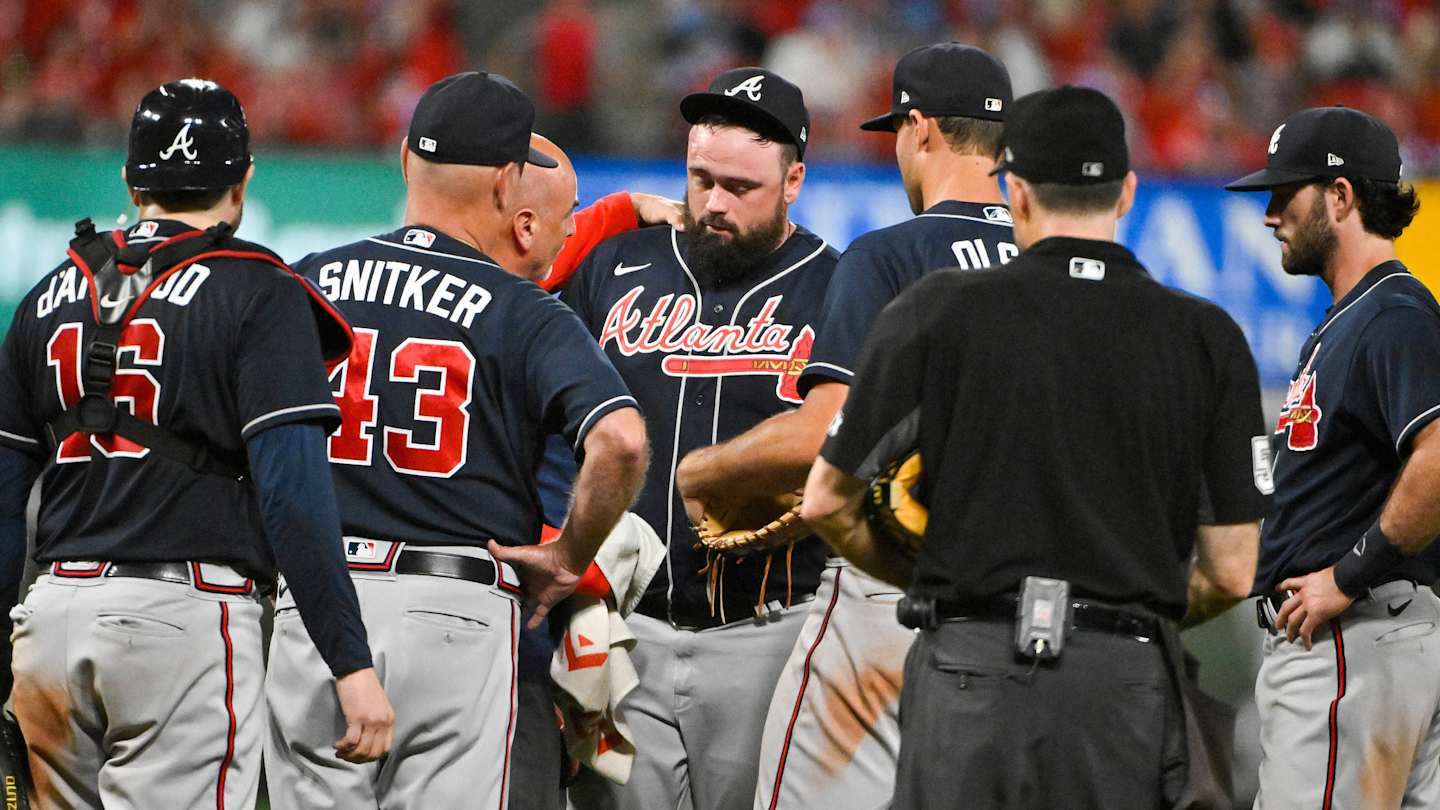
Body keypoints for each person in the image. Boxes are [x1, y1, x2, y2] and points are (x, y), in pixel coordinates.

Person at [803, 85, 1269, 809]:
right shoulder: (1208, 339)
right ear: (1127, 194)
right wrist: (1133, 611)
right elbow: (1234, 572)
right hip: (1123, 679)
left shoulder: (937, 310)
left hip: (970, 665)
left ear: (1014, 192)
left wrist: (927, 579)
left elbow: (826, 503)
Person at [0, 78, 393, 810]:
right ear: (241, 184)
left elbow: (1, 501)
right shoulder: (259, 288)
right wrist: (349, 659)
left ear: (130, 178)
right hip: (181, 625)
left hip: (50, 621)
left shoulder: (46, 296)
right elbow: (293, 497)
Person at [261, 71, 649, 810]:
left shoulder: (305, 281)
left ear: (407, 160)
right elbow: (623, 442)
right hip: (455, 608)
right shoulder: (523, 311)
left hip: (319, 606)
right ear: (508, 186)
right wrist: (569, 557)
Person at [673, 42, 1017, 810]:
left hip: (898, 591)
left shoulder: (892, 254)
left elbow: (826, 431)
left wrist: (701, 473)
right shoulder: (1057, 261)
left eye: (898, 129)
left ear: (920, 129)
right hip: (1036, 614)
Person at [561, 67, 839, 810]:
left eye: (740, 188)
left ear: (793, 181)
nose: (713, 204)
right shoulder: (618, 265)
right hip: (620, 628)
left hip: (770, 633)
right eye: (700, 178)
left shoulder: (837, 286)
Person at [1225, 107, 1440, 810]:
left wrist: (1350, 574)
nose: (1268, 214)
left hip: (1355, 642)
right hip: (1372, 643)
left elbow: (1439, 457)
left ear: (1341, 196)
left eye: (1285, 194)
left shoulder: (1392, 313)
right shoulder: (1356, 318)